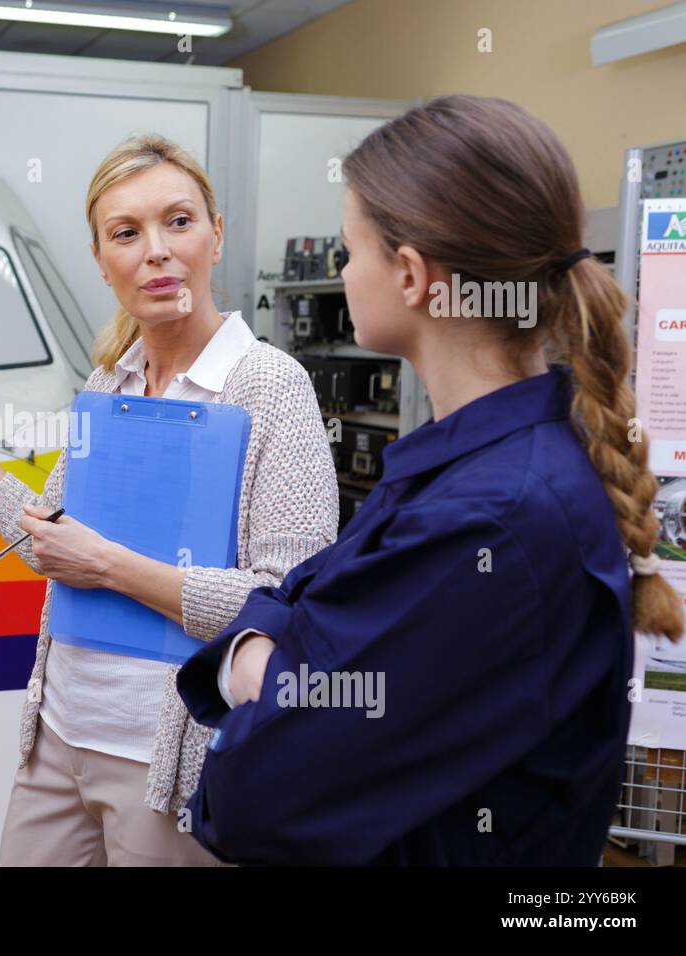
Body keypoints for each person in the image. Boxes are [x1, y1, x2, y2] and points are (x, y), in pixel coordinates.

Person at [176, 95, 685, 866]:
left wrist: (253, 660)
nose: (344, 274)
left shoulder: (491, 520)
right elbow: (300, 615)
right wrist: (267, 662)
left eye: (351, 252)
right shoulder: (473, 471)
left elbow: (254, 797)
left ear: (411, 275)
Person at [0, 134, 338, 865]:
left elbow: (288, 604)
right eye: (126, 233)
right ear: (101, 260)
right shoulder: (107, 384)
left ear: (217, 235)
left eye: (178, 221)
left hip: (169, 762)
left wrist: (112, 566)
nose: (156, 251)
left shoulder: (269, 386)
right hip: (56, 737)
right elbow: (47, 545)